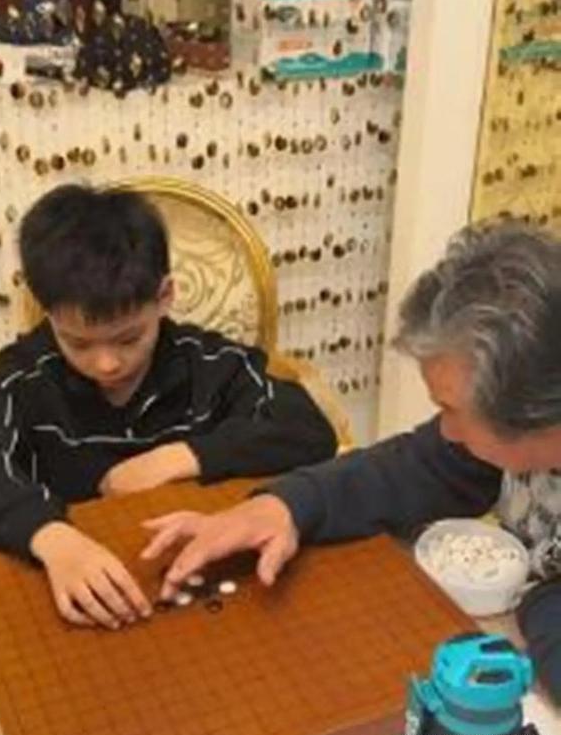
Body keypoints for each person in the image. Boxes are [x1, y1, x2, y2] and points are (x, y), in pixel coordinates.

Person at [141, 222, 561, 704]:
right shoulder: (513, 428)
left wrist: (539, 596)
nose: (445, 430)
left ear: (536, 415)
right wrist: (284, 507)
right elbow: (416, 467)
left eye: (451, 410)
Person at [0, 184, 337, 630]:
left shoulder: (207, 362)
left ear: (165, 295)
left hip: (192, 570)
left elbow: (307, 429)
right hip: (76, 573)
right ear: (47, 312)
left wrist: (180, 457)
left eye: (128, 338)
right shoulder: (23, 376)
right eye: (78, 343)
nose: (107, 363)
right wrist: (53, 540)